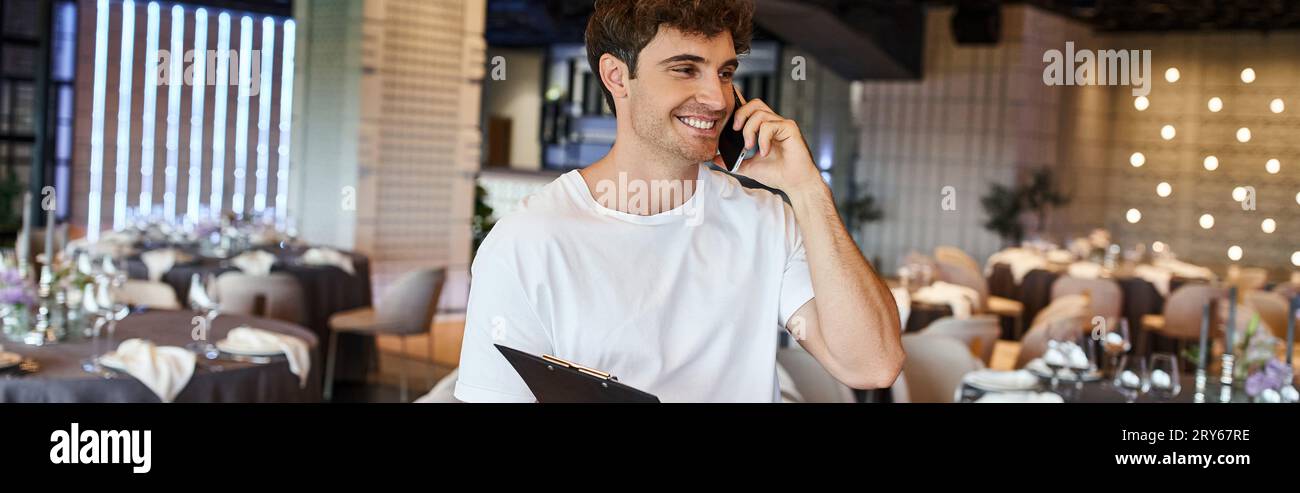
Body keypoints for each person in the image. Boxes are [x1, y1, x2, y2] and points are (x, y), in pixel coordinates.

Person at [455, 0, 902, 402]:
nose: (716, 98)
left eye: (725, 73)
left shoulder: (767, 220)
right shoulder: (525, 243)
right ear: (616, 76)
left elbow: (873, 364)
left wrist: (808, 190)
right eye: (685, 69)